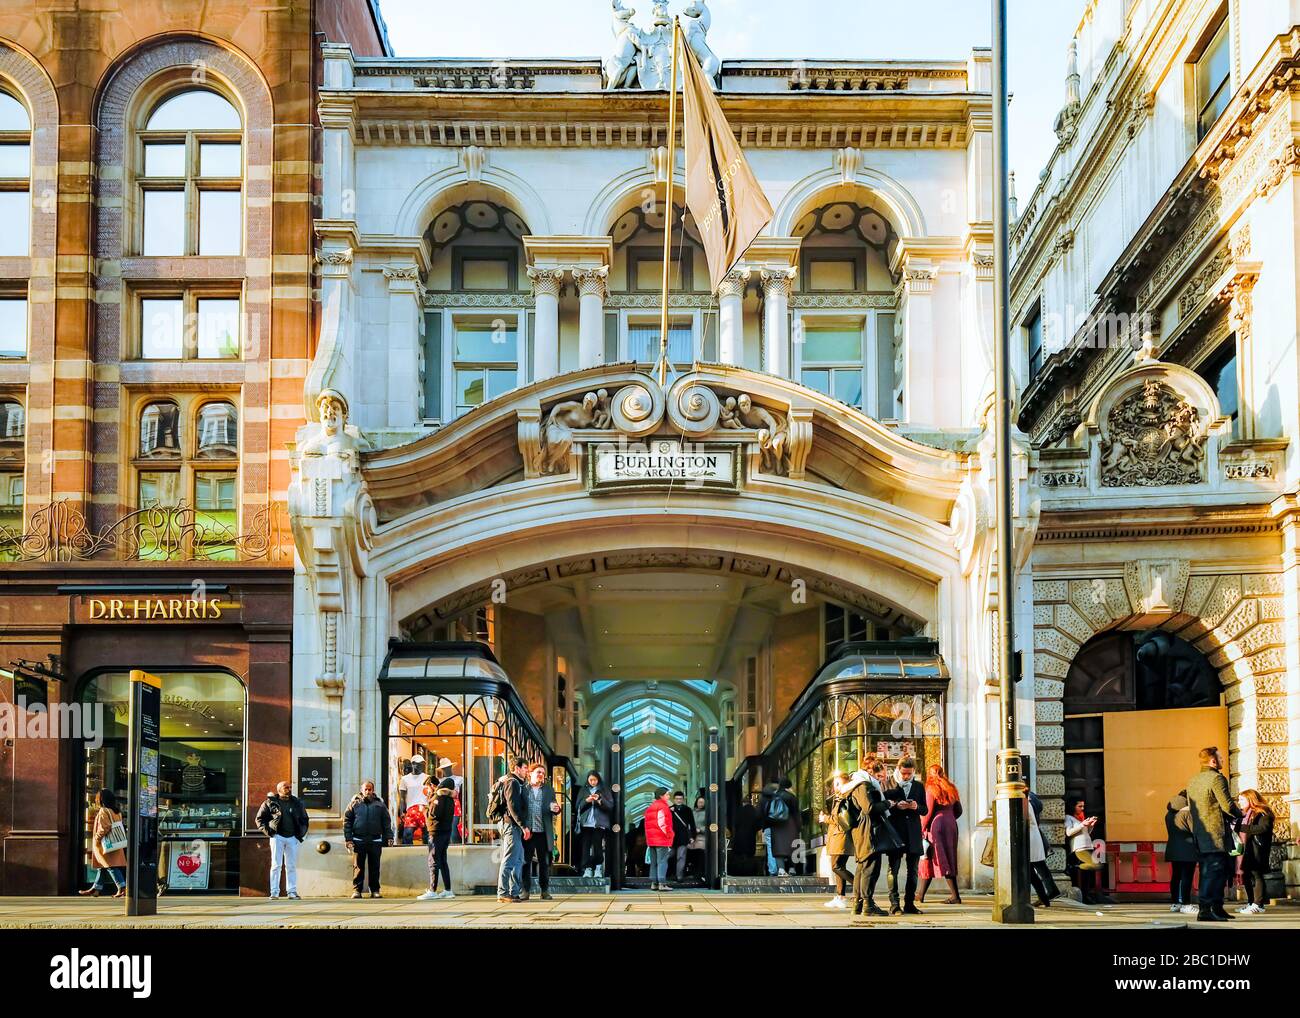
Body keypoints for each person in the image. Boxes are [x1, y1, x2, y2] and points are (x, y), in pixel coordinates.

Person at [1186, 746, 1241, 922]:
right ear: (1213, 761)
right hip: (1216, 833)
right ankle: (1206, 910)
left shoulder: (1193, 780)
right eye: (1220, 758)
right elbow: (1227, 805)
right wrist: (1241, 814)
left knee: (1208, 872)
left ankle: (1216, 908)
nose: (1223, 760)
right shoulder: (1217, 778)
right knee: (1215, 872)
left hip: (1200, 834)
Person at [847, 759, 900, 919]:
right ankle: (868, 905)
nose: (881, 779)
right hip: (869, 831)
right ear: (870, 773)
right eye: (879, 775)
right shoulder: (863, 785)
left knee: (862, 869)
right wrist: (887, 803)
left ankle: (858, 904)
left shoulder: (857, 784)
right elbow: (869, 808)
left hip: (864, 830)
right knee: (870, 869)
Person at [884, 757, 929, 915]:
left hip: (913, 833)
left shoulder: (918, 786)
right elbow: (883, 806)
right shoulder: (889, 784)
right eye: (903, 773)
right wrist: (896, 806)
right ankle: (894, 904)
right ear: (898, 770)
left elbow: (925, 810)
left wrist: (916, 806)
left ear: (914, 772)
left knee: (913, 870)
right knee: (893, 868)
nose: (906, 776)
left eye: (909, 774)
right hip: (896, 832)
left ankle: (909, 903)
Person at [255, 780, 310, 900]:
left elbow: (304, 818)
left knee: (291, 866)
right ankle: (274, 892)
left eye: (289, 787)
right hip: (277, 837)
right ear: (279, 789)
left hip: (292, 838)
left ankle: (292, 892)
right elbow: (259, 819)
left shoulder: (296, 802)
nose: (289, 789)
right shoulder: (270, 802)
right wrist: (269, 832)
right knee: (276, 865)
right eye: (286, 787)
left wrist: (301, 834)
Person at [919, 763, 962, 904]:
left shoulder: (931, 789)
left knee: (932, 858)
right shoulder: (952, 788)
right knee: (949, 857)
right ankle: (953, 895)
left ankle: (921, 895)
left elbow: (928, 812)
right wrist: (949, 818)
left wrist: (922, 828)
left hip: (936, 825)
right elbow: (959, 810)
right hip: (951, 825)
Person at [343, 780, 393, 899]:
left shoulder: (379, 804)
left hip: (375, 840)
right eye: (365, 789)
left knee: (375, 867)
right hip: (358, 840)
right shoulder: (354, 803)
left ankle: (375, 890)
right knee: (358, 866)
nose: (367, 791)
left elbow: (386, 822)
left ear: (373, 790)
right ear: (361, 790)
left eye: (370, 789)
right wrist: (348, 839)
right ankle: (357, 890)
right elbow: (347, 821)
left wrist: (389, 836)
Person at [491, 757, 530, 903]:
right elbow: (513, 807)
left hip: (514, 826)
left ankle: (513, 892)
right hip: (511, 825)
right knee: (509, 859)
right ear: (517, 768)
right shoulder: (512, 782)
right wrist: (523, 826)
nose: (527, 771)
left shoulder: (518, 783)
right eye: (525, 768)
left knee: (518, 859)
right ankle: (502, 892)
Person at [520, 762, 561, 901]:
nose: (541, 775)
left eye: (542, 773)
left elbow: (554, 805)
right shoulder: (523, 788)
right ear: (530, 773)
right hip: (528, 831)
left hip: (543, 831)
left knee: (544, 862)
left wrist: (556, 809)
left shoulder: (548, 789)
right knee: (526, 861)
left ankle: (544, 890)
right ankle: (525, 890)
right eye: (538, 772)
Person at [80, 788, 127, 898]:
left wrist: (96, 838)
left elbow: (104, 827)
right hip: (115, 843)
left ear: (101, 800)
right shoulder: (116, 811)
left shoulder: (103, 811)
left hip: (105, 845)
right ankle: (96, 888)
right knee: (103, 866)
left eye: (97, 798)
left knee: (110, 866)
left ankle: (122, 887)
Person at [417, 777, 458, 900]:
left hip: (436, 833)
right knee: (443, 861)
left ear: (432, 785)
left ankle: (432, 890)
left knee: (433, 861)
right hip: (445, 833)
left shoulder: (438, 798)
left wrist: (424, 811)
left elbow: (434, 815)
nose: (428, 790)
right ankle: (447, 889)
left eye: (428, 786)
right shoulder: (450, 799)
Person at [1235, 788, 1274, 915]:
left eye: (1242, 799)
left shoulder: (1263, 812)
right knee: (1247, 875)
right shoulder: (1246, 814)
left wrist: (1241, 827)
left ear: (1250, 799)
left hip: (1258, 848)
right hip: (1248, 848)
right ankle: (1251, 902)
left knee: (1256, 874)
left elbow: (1263, 828)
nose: (1239, 802)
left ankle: (1258, 904)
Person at [818, 771, 852, 909]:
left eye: (838, 783)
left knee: (836, 866)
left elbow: (842, 819)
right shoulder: (838, 797)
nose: (835, 786)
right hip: (837, 836)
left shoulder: (845, 797)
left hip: (841, 837)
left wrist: (824, 819)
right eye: (834, 784)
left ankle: (859, 887)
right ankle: (840, 896)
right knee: (839, 867)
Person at [1064, 798, 1106, 905]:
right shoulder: (1069, 818)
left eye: (1083, 806)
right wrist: (1082, 824)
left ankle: (1086, 895)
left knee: (1088, 874)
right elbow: (1069, 833)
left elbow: (1086, 833)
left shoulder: (1080, 818)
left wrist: (1090, 825)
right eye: (1079, 806)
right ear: (1073, 806)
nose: (1082, 808)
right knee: (1095, 866)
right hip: (1079, 848)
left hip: (1088, 846)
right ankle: (1078, 867)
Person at [1164, 791, 1198, 915]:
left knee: (1176, 877)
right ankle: (1186, 904)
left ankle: (1175, 903)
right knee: (1187, 878)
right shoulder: (1187, 813)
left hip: (1173, 849)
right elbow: (1195, 830)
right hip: (1188, 850)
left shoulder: (1169, 814)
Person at [1025, 783, 1059, 908]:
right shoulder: (1031, 800)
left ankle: (1045, 896)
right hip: (1034, 838)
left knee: (1032, 871)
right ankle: (1046, 897)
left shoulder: (1025, 803)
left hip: (1028, 839)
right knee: (1037, 869)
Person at [759, 777, 800, 876]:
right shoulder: (791, 797)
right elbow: (796, 813)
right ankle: (792, 869)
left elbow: (766, 813)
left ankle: (781, 869)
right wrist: (798, 826)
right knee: (792, 847)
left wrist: (766, 825)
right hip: (790, 826)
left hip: (776, 826)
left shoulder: (773, 797)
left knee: (778, 848)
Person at [577, 770, 613, 878]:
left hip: (599, 823)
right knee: (586, 846)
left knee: (597, 845)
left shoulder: (604, 790)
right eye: (591, 780)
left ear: (598, 780)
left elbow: (610, 806)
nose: (593, 782)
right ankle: (587, 868)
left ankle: (598, 867)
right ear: (588, 780)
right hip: (586, 823)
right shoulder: (583, 790)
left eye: (595, 780)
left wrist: (600, 800)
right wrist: (587, 801)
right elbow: (578, 806)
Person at [644, 787, 675, 891]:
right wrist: (670, 835)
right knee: (662, 861)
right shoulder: (663, 807)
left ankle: (654, 884)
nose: (668, 796)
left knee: (654, 862)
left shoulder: (650, 808)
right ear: (661, 796)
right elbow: (662, 824)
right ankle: (662, 884)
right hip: (661, 839)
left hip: (652, 840)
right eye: (667, 794)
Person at [398, 755, 430, 845]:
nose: (420, 766)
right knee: (407, 834)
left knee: (426, 834)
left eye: (422, 764)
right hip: (411, 809)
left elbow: (432, 794)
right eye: (417, 764)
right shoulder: (404, 779)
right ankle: (408, 854)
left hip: (425, 809)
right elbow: (402, 797)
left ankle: (428, 854)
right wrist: (402, 811)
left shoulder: (427, 777)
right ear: (412, 764)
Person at [669, 790, 697, 883]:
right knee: (670, 856)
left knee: (681, 856)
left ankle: (679, 876)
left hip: (683, 837)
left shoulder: (687, 809)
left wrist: (693, 836)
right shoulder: (669, 809)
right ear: (674, 799)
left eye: (680, 799)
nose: (679, 800)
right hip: (671, 837)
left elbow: (692, 824)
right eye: (677, 799)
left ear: (683, 799)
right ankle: (671, 874)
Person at [688, 794, 708, 878]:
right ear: (696, 802)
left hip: (701, 837)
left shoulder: (707, 813)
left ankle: (700, 873)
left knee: (700, 855)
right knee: (692, 855)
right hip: (692, 837)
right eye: (699, 802)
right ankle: (692, 873)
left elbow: (709, 825)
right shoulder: (692, 812)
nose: (701, 804)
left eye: (702, 802)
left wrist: (700, 829)